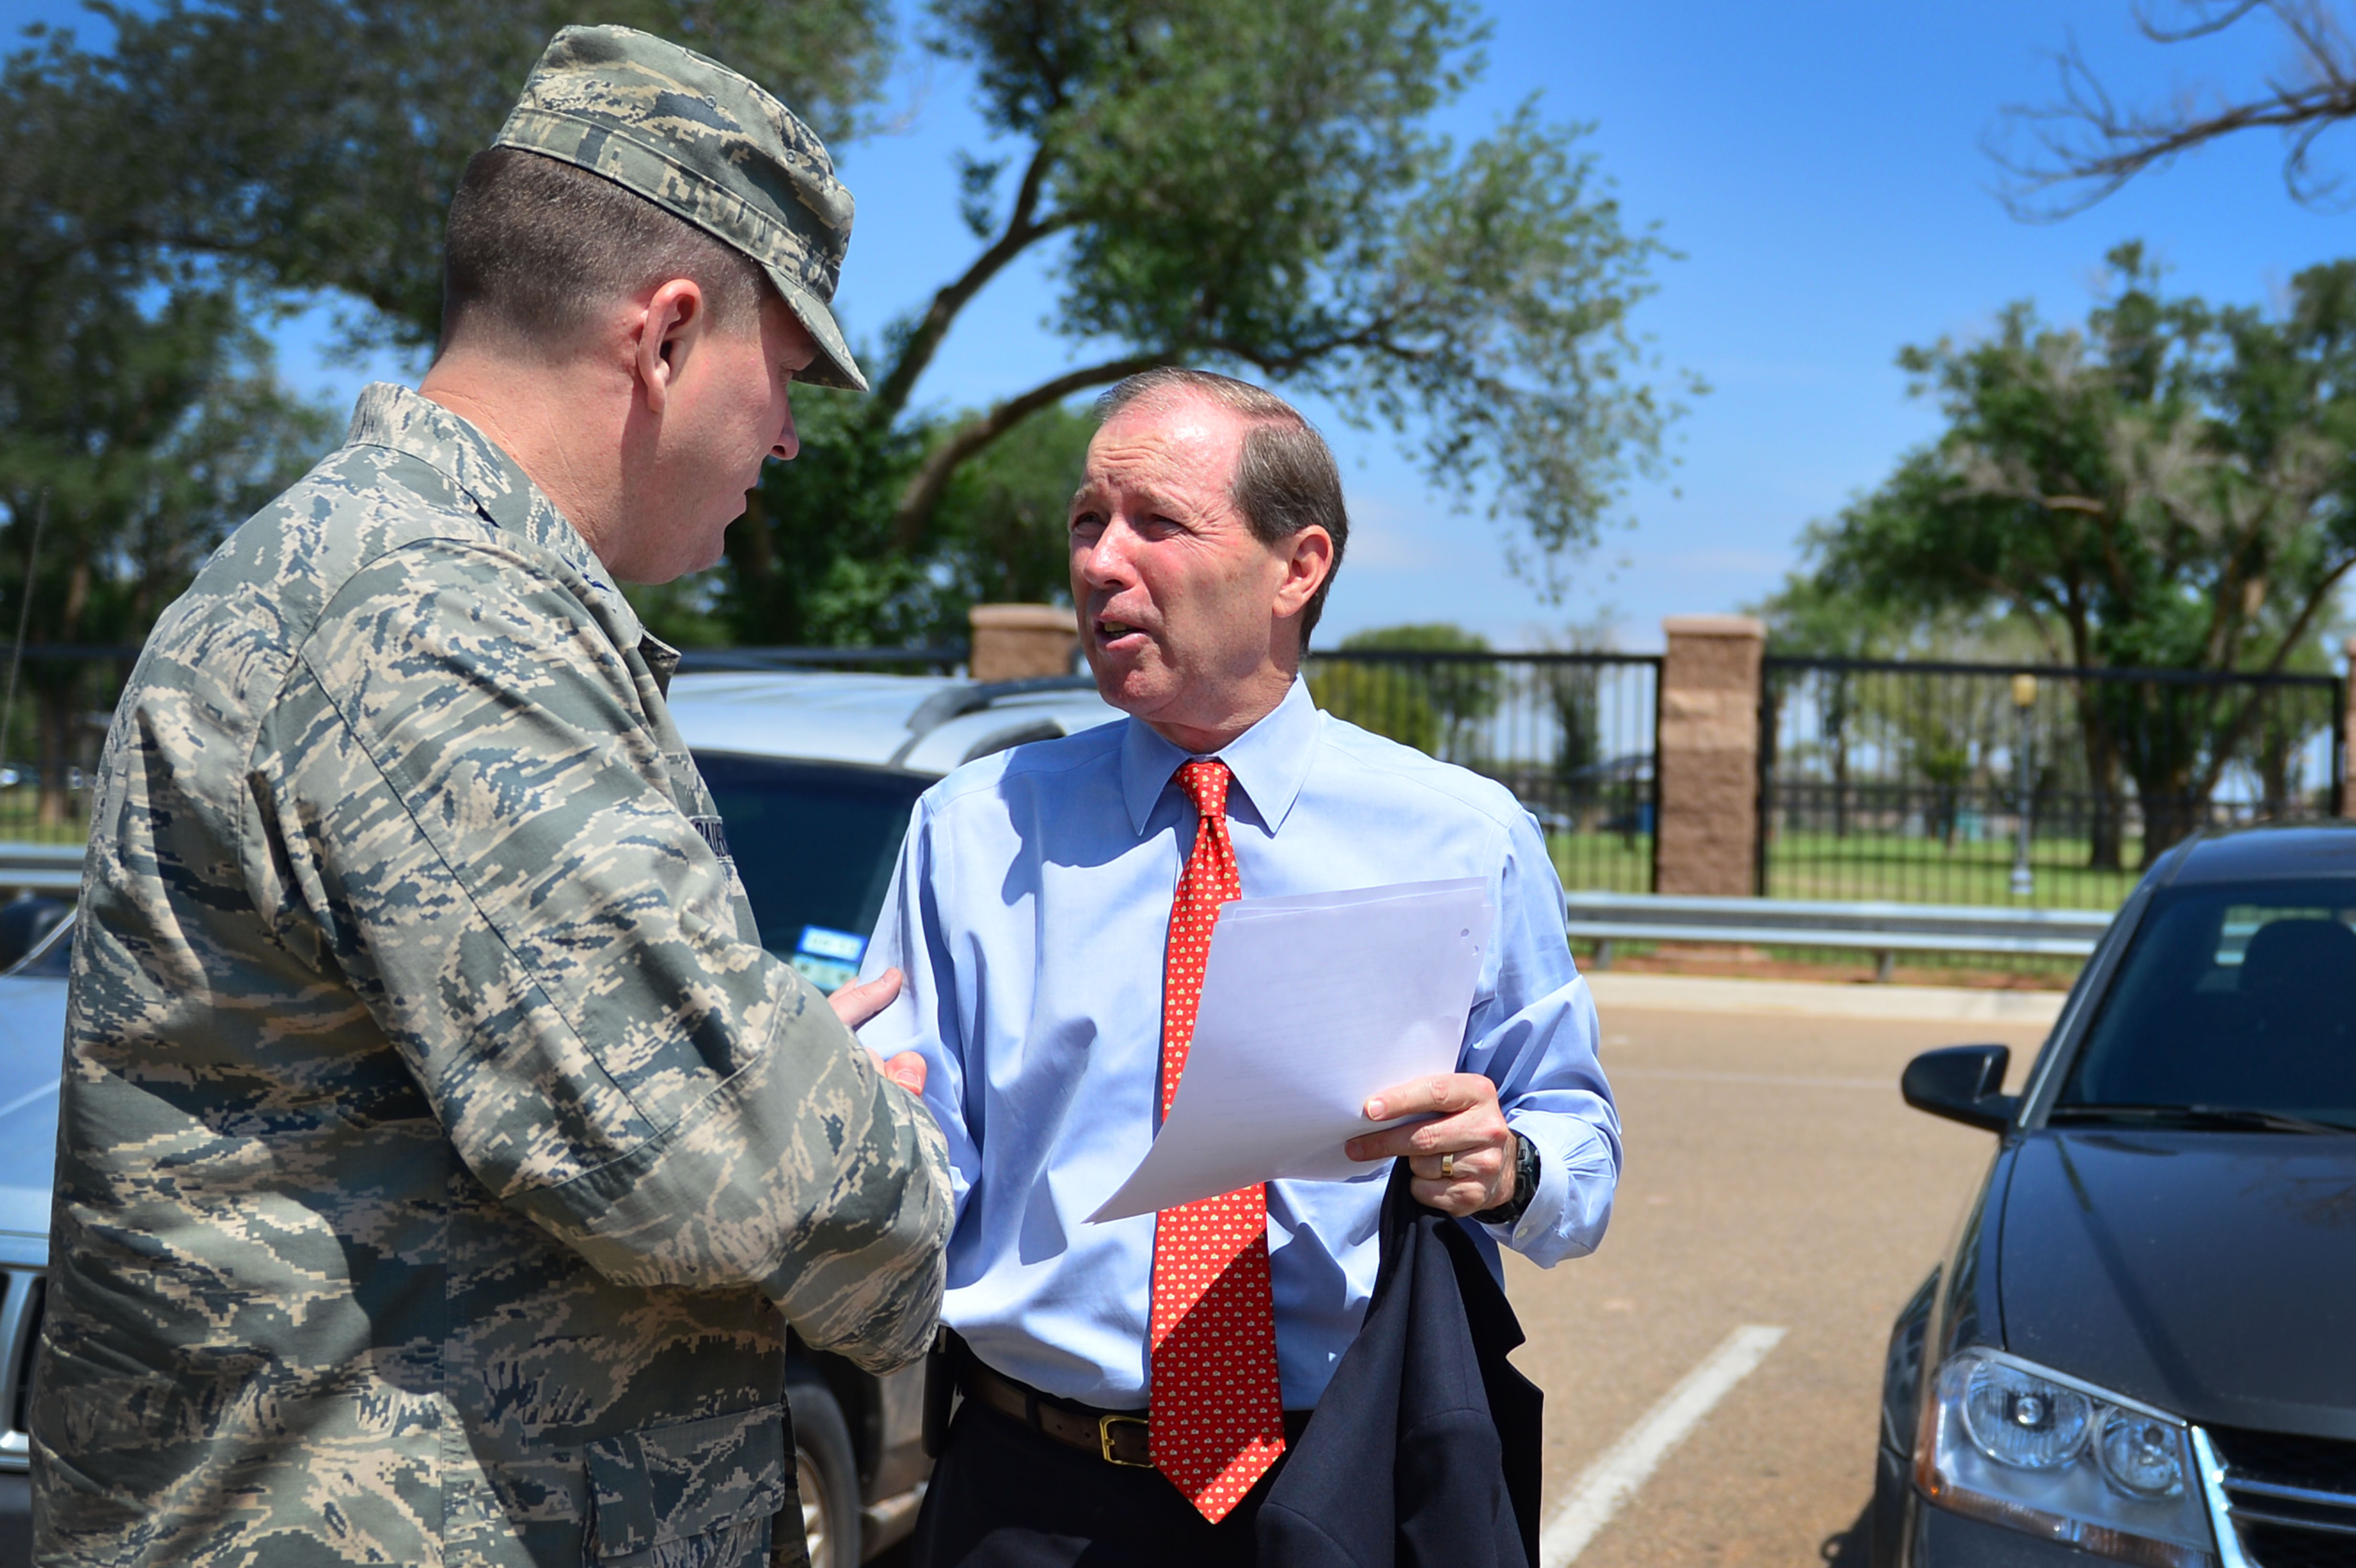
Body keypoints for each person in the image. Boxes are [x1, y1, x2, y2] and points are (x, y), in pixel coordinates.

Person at [33, 26, 946, 1568]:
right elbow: (739, 1174)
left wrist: (757, 1058)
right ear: (663, 338)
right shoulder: (434, 618)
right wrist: (874, 1141)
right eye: (784, 373)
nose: (788, 436)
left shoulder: (436, 586)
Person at [857, 368, 1623, 1565]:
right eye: (1085, 522)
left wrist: (1506, 1162)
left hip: (1340, 1487)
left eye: (1155, 522)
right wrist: (838, 1131)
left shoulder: (1458, 835)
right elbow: (909, 1167)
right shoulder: (975, 827)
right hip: (1024, 1494)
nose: (1102, 561)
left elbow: (1579, 1143)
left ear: (1297, 565)